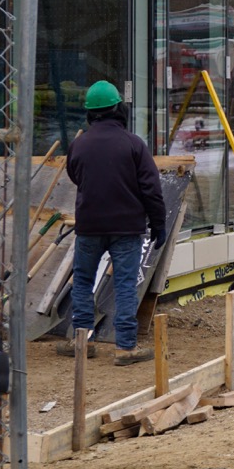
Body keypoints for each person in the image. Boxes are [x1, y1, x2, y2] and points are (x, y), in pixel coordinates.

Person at [60, 81, 165, 366]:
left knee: (82, 281)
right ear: (118, 108)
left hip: (89, 225)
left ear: (90, 113)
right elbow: (151, 189)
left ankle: (82, 341)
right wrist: (158, 224)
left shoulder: (79, 144)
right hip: (127, 227)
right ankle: (125, 347)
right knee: (125, 284)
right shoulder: (133, 144)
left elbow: (76, 176)